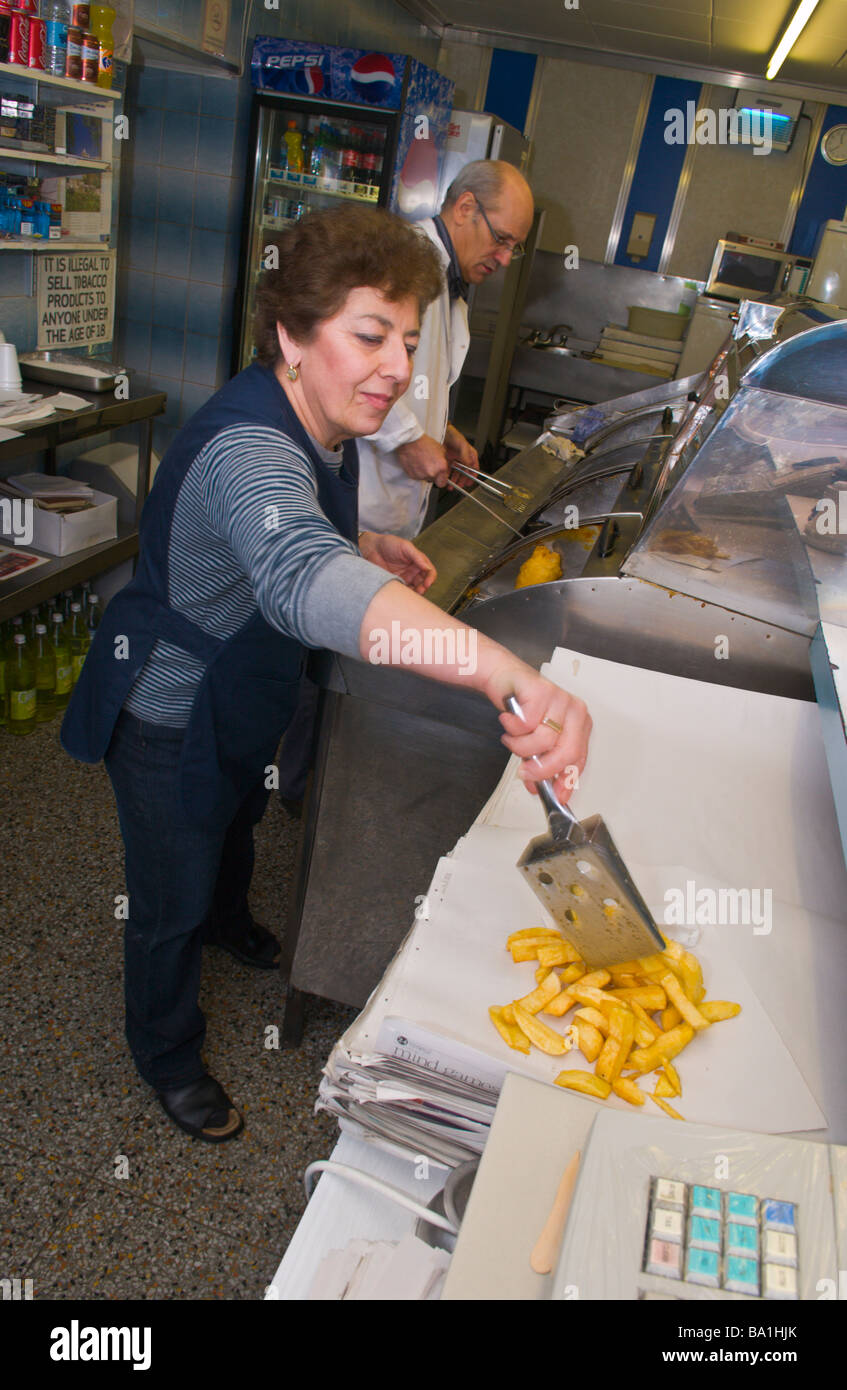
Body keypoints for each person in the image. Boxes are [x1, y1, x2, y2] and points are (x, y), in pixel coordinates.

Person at [61, 206, 591, 1144]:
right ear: (290, 335)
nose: (397, 366)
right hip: (172, 703)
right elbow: (297, 568)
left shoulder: (322, 420)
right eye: (369, 334)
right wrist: (504, 673)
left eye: (409, 340)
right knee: (166, 890)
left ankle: (227, 917)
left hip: (245, 685)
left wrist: (365, 539)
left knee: (232, 820)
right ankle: (165, 1048)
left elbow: (303, 535)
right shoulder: (249, 444)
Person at [356, 158, 535, 539]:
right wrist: (407, 439)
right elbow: (357, 369)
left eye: (514, 248)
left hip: (393, 514)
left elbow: (416, 382)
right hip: (359, 507)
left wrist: (443, 430)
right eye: (501, 239)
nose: (504, 259)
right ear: (465, 207)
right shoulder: (400, 262)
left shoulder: (448, 279)